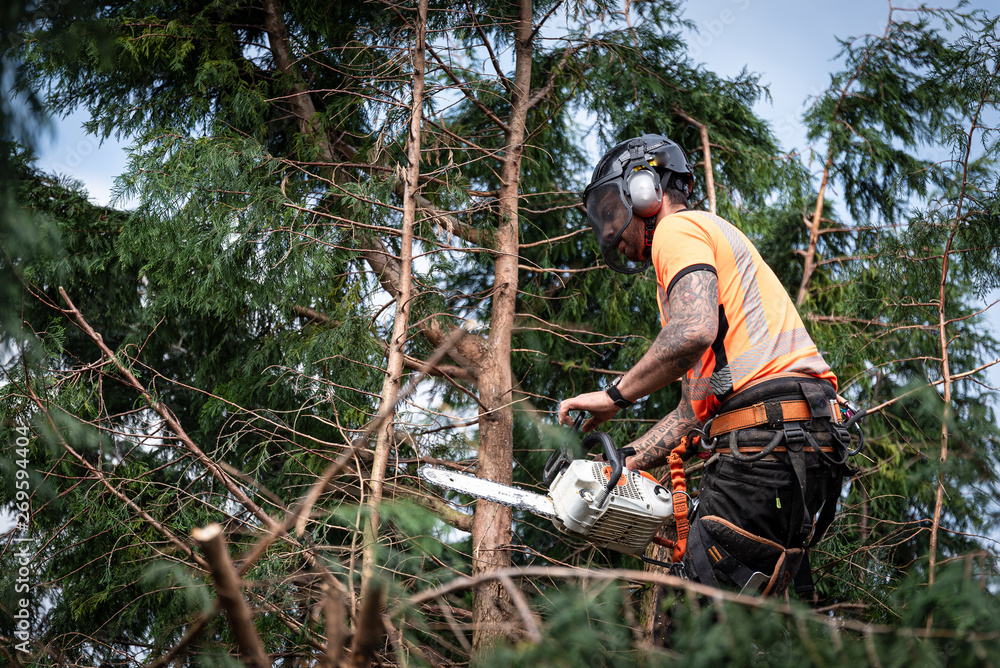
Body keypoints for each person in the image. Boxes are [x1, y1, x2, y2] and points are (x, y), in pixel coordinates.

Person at [557, 133, 854, 597]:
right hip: (798, 438)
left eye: (613, 210)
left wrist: (613, 395)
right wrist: (625, 462)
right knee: (731, 619)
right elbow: (692, 411)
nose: (614, 233)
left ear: (644, 190)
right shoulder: (708, 266)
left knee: (689, 618)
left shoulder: (678, 231)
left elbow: (691, 331)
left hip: (769, 439)